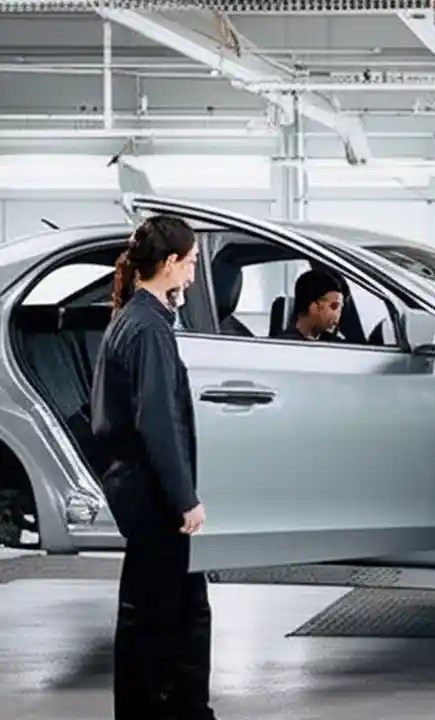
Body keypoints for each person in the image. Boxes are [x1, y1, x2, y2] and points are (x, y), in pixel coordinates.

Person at [90, 215, 217, 720]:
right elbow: (159, 422)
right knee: (168, 620)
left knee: (162, 611)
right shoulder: (148, 331)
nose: (190, 276)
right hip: (154, 496)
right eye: (189, 265)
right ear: (168, 264)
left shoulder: (135, 321)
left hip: (138, 491)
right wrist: (185, 499)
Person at [281, 268, 345, 342]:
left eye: (340, 308)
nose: (338, 314)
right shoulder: (286, 346)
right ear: (314, 307)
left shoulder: (336, 344)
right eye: (334, 306)